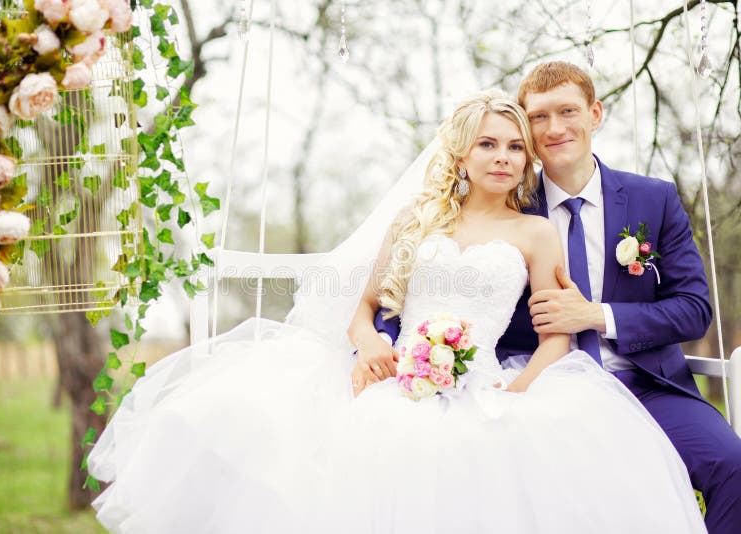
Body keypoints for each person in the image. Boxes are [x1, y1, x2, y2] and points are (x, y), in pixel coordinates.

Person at [88, 90, 706, 533]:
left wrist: (516, 395)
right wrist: (370, 345)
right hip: (399, 379)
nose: (504, 157)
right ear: (460, 155)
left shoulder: (537, 233)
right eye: (487, 144)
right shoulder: (417, 221)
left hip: (487, 383)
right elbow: (364, 309)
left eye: (516, 147)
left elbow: (555, 339)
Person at [373, 62, 741, 533]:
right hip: (541, 382)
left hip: (646, 384)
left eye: (568, 111)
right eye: (539, 117)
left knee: (732, 466)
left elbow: (694, 310)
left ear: (595, 113)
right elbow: (425, 284)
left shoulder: (654, 199)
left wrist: (596, 315)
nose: (555, 128)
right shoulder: (506, 204)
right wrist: (384, 342)